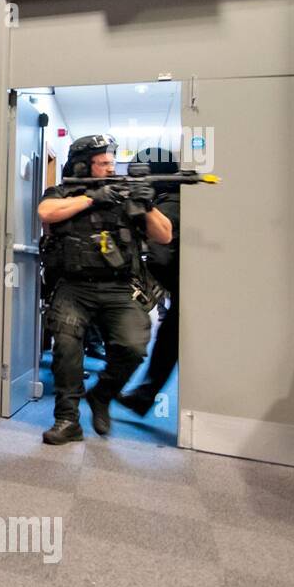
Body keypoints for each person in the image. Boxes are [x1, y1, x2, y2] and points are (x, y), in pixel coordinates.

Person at [36, 134, 172, 444]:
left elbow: (164, 236)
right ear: (84, 166)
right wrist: (93, 198)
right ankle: (67, 420)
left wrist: (144, 203)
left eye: (113, 163)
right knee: (67, 351)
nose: (111, 168)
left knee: (133, 347)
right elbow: (46, 213)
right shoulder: (62, 192)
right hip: (74, 287)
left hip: (119, 288)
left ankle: (103, 394)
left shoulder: (127, 195)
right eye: (103, 163)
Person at [118, 147, 181, 416]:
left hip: (187, 289)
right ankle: (143, 396)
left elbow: (160, 258)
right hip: (185, 291)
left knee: (167, 340)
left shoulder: (169, 205)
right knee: (169, 339)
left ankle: (143, 396)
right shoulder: (176, 199)